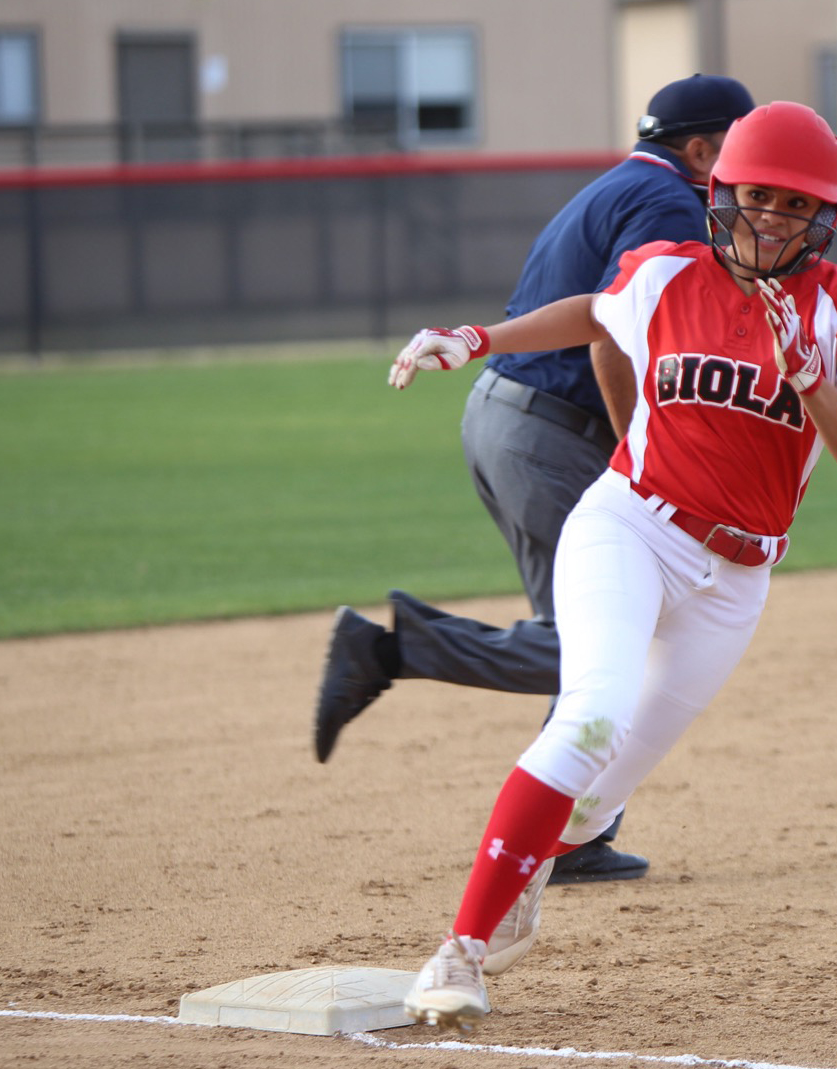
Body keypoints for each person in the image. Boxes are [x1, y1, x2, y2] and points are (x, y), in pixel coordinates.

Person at [385, 101, 837, 1032]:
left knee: (594, 811)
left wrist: (814, 381)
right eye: (757, 196)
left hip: (735, 583)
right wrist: (474, 338)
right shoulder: (667, 270)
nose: (772, 219)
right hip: (629, 526)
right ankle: (460, 951)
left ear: (824, 217)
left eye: (796, 206)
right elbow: (594, 314)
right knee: (590, 714)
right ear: (720, 192)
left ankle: (534, 865)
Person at [311, 74, 756, 886]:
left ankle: (577, 834)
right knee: (599, 642)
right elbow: (610, 331)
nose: (753, 171)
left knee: (598, 627)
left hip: (512, 418)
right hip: (551, 431)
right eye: (742, 146)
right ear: (700, 150)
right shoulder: (669, 206)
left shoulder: (625, 184)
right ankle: (391, 649)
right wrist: (640, 451)